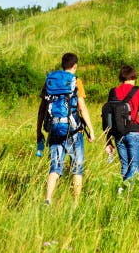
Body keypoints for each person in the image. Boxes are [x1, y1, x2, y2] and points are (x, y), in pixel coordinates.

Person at [36, 53, 95, 205]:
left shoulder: (49, 81)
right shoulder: (76, 81)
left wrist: (39, 132)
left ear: (63, 64)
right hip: (74, 131)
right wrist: (91, 129)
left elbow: (42, 109)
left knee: (55, 167)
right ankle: (75, 204)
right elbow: (82, 108)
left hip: (54, 130)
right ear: (75, 66)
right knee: (77, 168)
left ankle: (48, 199)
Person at [106, 65, 139, 188]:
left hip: (118, 134)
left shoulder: (113, 92)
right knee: (135, 166)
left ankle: (124, 195)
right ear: (133, 77)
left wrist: (108, 140)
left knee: (125, 165)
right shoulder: (138, 91)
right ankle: (124, 188)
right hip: (134, 132)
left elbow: (108, 116)